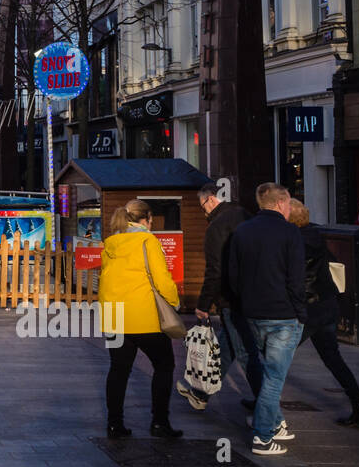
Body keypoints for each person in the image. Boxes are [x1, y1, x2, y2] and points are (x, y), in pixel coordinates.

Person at [228, 182, 306, 455]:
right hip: (283, 315)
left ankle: (274, 424)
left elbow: (234, 277)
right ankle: (262, 436)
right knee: (275, 377)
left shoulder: (242, 232)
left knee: (267, 370)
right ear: (281, 203)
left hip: (253, 314)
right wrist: (301, 312)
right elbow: (297, 279)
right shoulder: (290, 233)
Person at [98, 199, 184, 440]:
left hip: (115, 316)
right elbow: (162, 278)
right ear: (147, 219)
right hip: (144, 316)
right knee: (164, 365)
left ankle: (114, 424)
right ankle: (159, 422)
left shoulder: (110, 243)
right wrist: (174, 303)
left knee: (118, 370)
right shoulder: (148, 240)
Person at [287, 199, 359, 427]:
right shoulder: (316, 235)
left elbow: (298, 280)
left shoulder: (296, 242)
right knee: (332, 358)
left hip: (309, 310)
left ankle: (263, 407)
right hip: (327, 305)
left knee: (277, 356)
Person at [178, 183, 262, 412]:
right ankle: (200, 393)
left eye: (202, 205)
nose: (202, 211)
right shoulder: (246, 215)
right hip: (256, 295)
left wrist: (203, 305)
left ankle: (268, 409)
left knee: (245, 352)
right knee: (227, 347)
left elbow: (214, 270)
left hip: (231, 299)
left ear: (211, 200)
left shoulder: (217, 226)